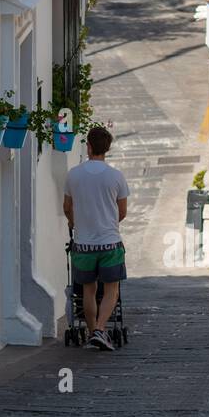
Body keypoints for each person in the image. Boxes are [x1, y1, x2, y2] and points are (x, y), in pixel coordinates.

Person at [63, 126, 129, 352]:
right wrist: (107, 223)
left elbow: (67, 207)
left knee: (87, 290)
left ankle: (93, 333)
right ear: (107, 149)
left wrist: (75, 223)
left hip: (83, 244)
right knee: (111, 290)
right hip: (110, 243)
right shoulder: (116, 176)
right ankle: (100, 330)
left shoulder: (73, 174)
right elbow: (122, 212)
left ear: (88, 146)